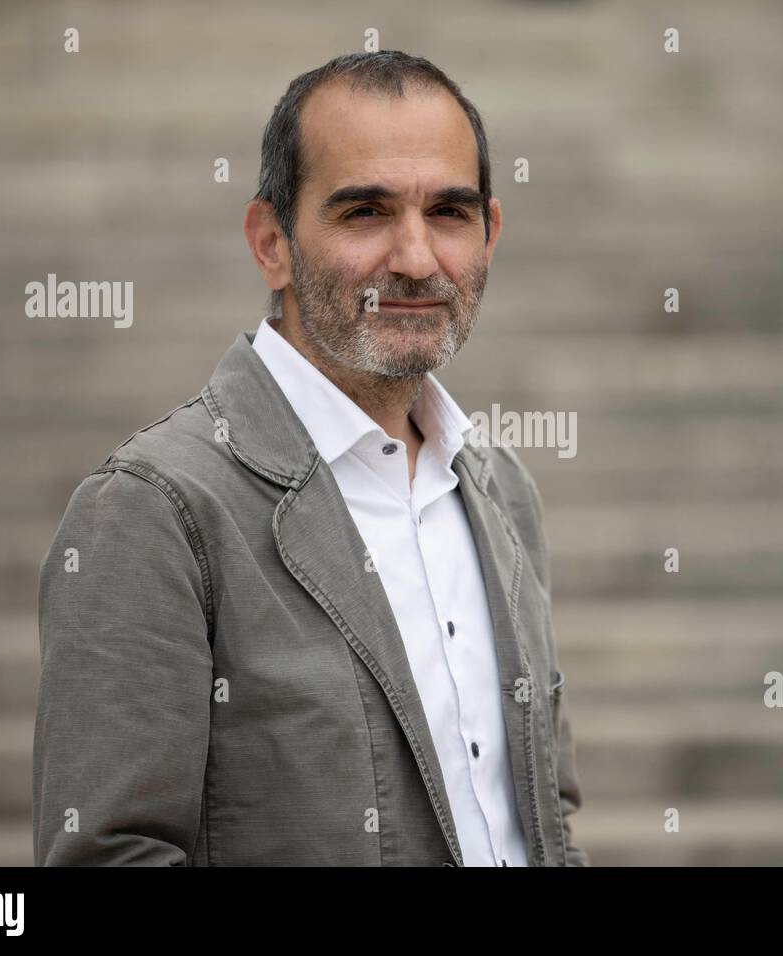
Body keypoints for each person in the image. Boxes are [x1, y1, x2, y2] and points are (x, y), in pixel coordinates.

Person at [32, 50, 588, 867]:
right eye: (365, 212)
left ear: (491, 232)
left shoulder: (501, 487)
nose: (415, 258)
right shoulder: (155, 508)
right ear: (272, 242)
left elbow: (545, 818)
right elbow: (109, 856)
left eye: (449, 212)